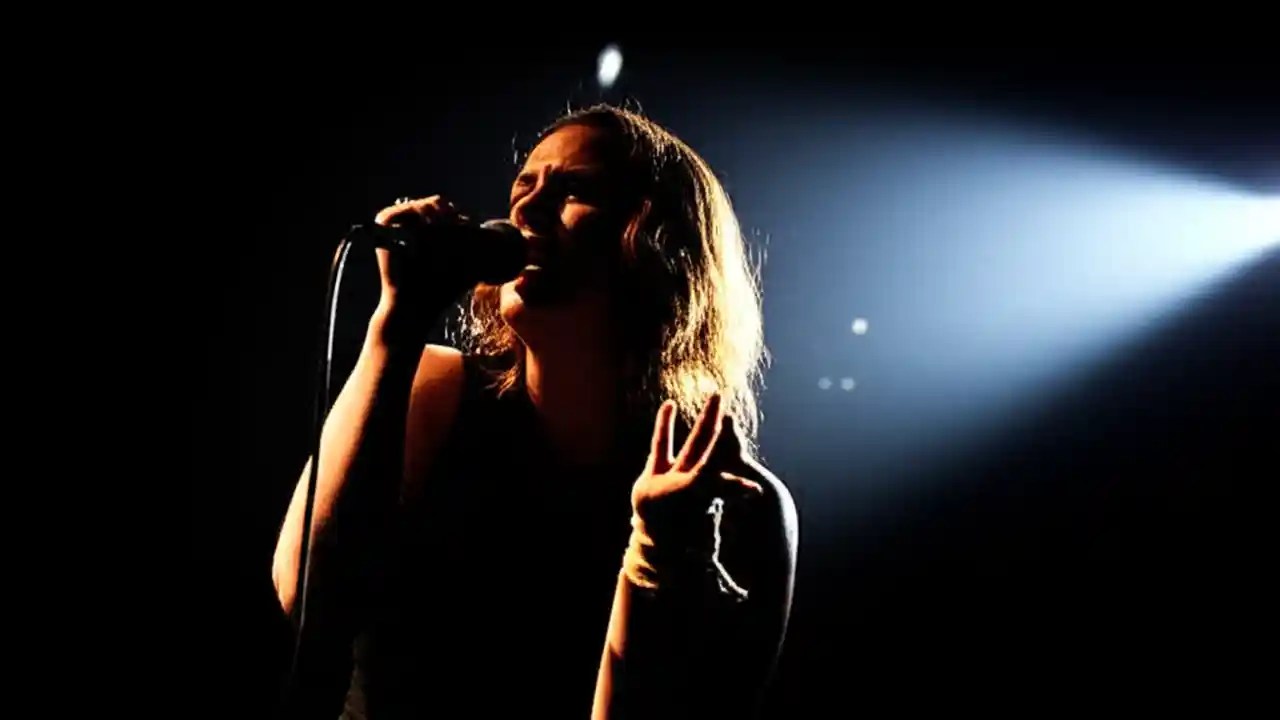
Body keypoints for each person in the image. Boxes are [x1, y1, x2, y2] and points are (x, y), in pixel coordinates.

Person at [271, 103, 799, 718]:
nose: (525, 210)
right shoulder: (434, 389)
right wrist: (396, 327)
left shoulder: (735, 499)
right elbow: (305, 601)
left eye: (575, 189)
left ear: (661, 244)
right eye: (524, 185)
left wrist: (659, 570)